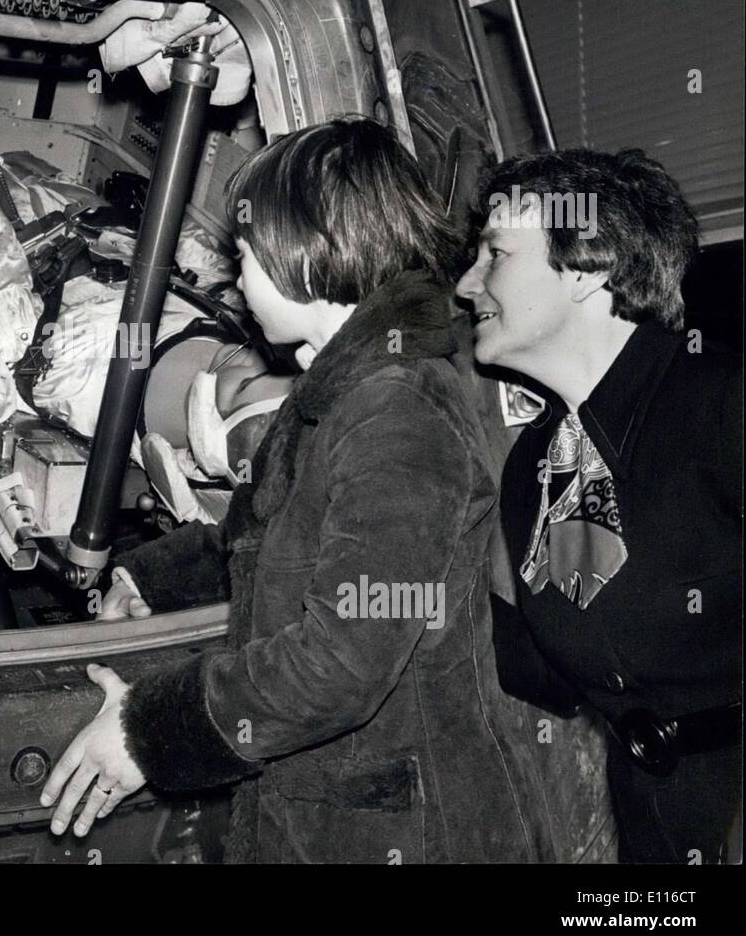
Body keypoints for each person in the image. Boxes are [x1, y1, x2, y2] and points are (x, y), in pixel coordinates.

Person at [41, 117, 557, 862]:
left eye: (245, 255)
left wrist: (147, 735)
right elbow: (271, 540)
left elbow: (341, 660)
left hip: (403, 830)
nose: (234, 279)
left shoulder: (398, 412)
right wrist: (150, 578)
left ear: (310, 252)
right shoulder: (343, 393)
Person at [454, 148, 742, 864]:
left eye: (494, 254)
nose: (466, 285)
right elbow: (546, 671)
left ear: (588, 265)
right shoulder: (534, 467)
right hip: (654, 831)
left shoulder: (724, 404)